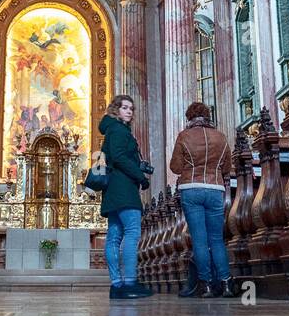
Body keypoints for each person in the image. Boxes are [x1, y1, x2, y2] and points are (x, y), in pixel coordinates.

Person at [169, 102, 237, 297]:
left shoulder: (185, 136)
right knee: (216, 239)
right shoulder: (220, 137)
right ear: (208, 116)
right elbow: (226, 168)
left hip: (191, 188)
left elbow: (175, 166)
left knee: (199, 240)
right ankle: (225, 283)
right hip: (214, 188)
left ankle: (205, 284)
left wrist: (190, 167)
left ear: (189, 117)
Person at [97, 95, 153, 300]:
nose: (129, 111)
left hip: (112, 189)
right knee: (132, 232)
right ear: (115, 110)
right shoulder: (119, 130)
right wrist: (141, 177)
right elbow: (119, 157)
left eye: (131, 108)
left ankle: (116, 285)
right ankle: (129, 282)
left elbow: (111, 157)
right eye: (124, 108)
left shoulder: (111, 130)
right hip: (124, 188)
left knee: (114, 236)